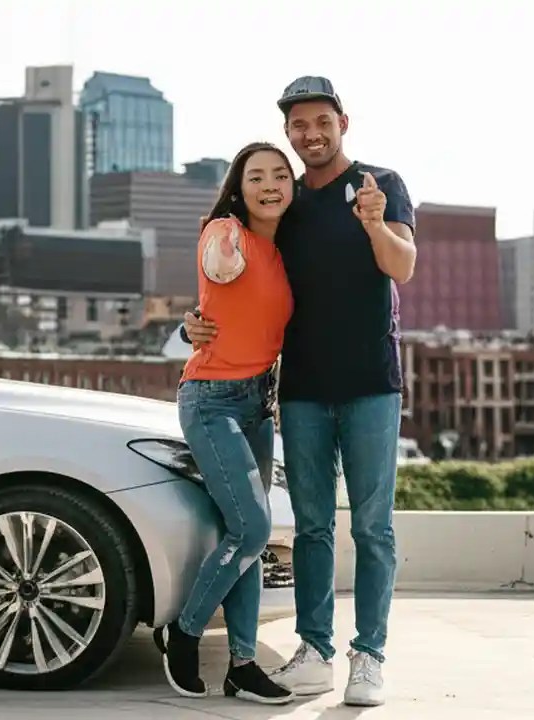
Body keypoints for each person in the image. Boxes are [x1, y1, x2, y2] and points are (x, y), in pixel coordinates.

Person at [180, 76, 417, 708]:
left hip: (372, 384)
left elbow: (402, 267)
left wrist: (373, 224)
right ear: (288, 133)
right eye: (298, 127)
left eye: (322, 123)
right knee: (311, 527)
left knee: (372, 528)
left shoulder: (381, 185)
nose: (310, 135)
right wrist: (191, 320)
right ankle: (315, 650)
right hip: (303, 390)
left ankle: (369, 657)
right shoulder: (286, 204)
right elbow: (241, 278)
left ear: (343, 122)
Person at [156, 142, 296, 705]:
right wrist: (223, 248)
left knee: (245, 535)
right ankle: (184, 632)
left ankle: (242, 664)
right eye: (256, 176)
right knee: (252, 531)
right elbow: (218, 261)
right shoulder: (224, 230)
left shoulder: (284, 250)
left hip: (257, 405)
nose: (269, 184)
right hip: (211, 400)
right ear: (239, 188)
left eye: (280, 175)